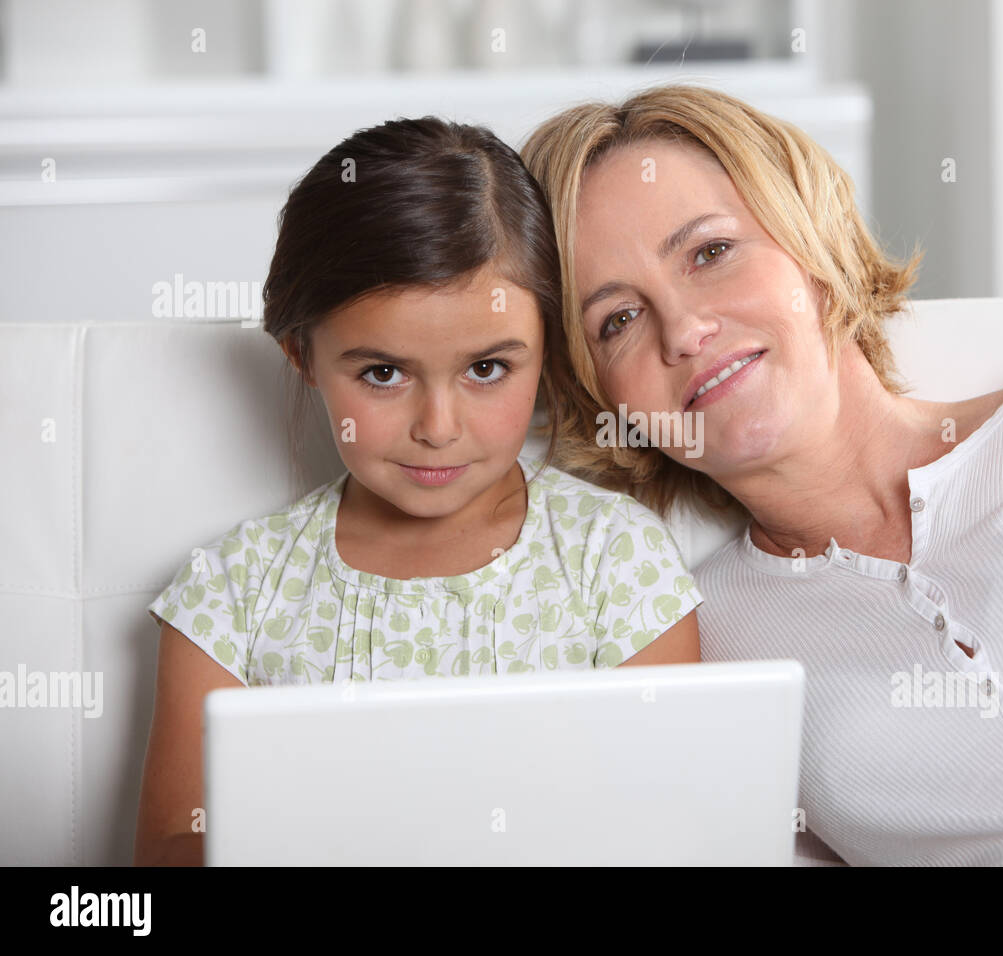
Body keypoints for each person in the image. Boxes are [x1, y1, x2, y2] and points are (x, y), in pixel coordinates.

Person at [519, 84, 1003, 865]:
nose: (685, 330)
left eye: (710, 252)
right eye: (617, 320)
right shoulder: (702, 645)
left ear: (809, 242)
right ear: (599, 394)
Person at [134, 116, 703, 866]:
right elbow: (168, 852)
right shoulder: (233, 594)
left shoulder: (616, 562)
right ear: (301, 354)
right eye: (382, 374)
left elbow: (681, 826)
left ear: (548, 350)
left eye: (488, 369)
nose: (438, 428)